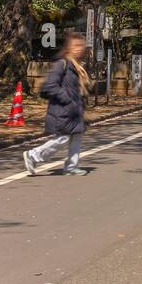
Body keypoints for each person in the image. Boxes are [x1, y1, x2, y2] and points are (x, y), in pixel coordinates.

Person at [23, 32, 91, 176]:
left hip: (74, 111)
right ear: (69, 48)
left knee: (76, 137)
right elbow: (50, 85)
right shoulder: (63, 64)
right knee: (62, 138)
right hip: (63, 110)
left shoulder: (77, 66)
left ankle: (71, 167)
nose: (79, 49)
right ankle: (33, 155)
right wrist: (67, 99)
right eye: (76, 46)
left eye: (81, 46)